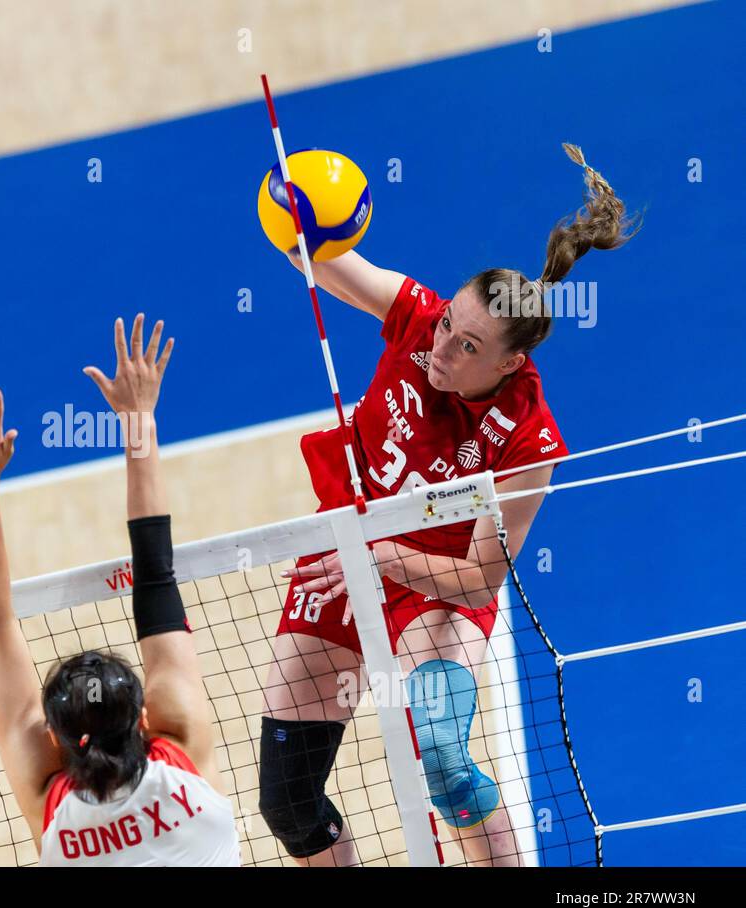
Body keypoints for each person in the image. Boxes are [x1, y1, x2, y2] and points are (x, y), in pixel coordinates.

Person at [260, 144, 638, 866]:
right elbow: (317, 260)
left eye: (466, 347)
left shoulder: (530, 441)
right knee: (287, 800)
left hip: (432, 587)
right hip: (348, 547)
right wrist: (290, 209)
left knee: (443, 760)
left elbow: (478, 578)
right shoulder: (416, 317)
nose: (440, 349)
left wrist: (374, 556)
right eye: (444, 328)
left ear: (510, 363)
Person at [0, 315, 240, 865]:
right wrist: (139, 420)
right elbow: (155, 574)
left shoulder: (55, 818)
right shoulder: (180, 750)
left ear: (55, 743)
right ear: (143, 719)